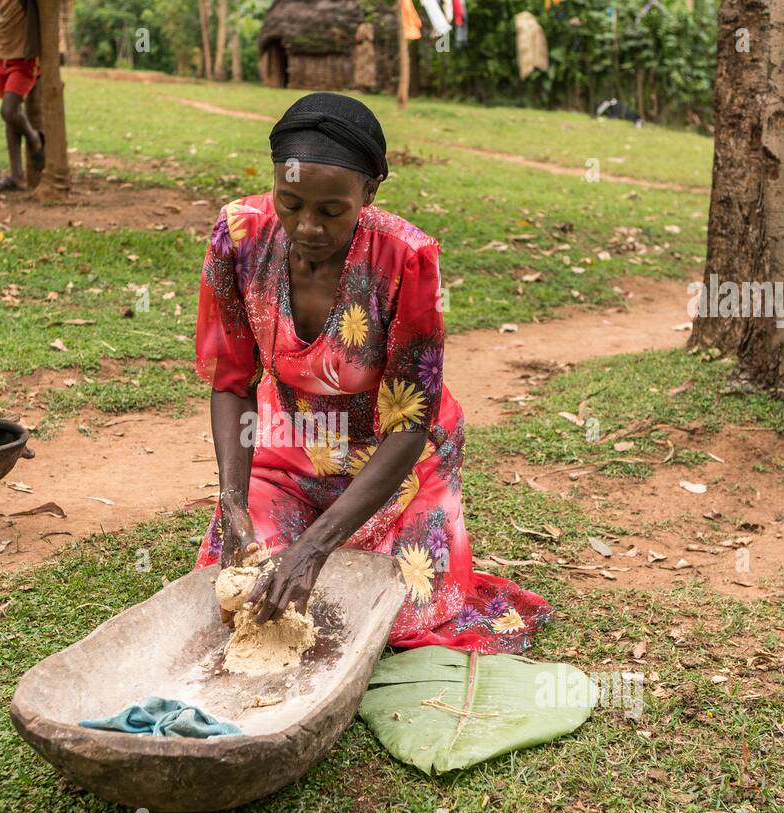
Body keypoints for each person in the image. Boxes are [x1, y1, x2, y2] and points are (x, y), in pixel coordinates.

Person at [193, 92, 553, 654]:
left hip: (396, 467)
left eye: (331, 211)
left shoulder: (405, 258)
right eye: (289, 202)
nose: (306, 227)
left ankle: (342, 546)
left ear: (370, 192)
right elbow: (232, 381)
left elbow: (411, 424)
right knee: (242, 591)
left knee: (388, 621)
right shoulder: (240, 235)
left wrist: (313, 548)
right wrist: (233, 500)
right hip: (287, 453)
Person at [0, 0, 44, 192]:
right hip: (2, 57)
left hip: (23, 60)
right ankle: (17, 176)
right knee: (11, 117)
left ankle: (35, 139)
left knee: (8, 111)